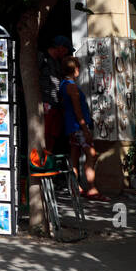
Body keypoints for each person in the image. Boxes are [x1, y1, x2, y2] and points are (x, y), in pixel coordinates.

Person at [59, 56, 104, 200]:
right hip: (78, 126)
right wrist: (85, 128)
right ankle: (91, 188)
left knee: (75, 156)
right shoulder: (72, 86)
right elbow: (77, 110)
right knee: (91, 155)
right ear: (76, 69)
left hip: (70, 126)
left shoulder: (63, 84)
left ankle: (75, 187)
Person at [39, 35, 71, 156]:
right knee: (45, 134)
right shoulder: (42, 58)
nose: (67, 53)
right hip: (45, 105)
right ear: (60, 48)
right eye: (67, 50)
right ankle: (42, 163)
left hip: (56, 106)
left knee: (53, 135)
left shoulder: (57, 63)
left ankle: (48, 159)